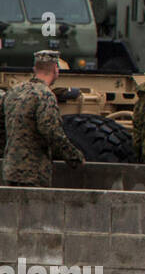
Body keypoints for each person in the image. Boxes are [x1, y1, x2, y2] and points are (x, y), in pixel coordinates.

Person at [0, 50, 84, 186]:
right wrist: (73, 157)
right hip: (34, 173)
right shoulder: (45, 95)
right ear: (56, 69)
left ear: (34, 68)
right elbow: (50, 130)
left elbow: (1, 128)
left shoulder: (14, 91)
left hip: (10, 170)